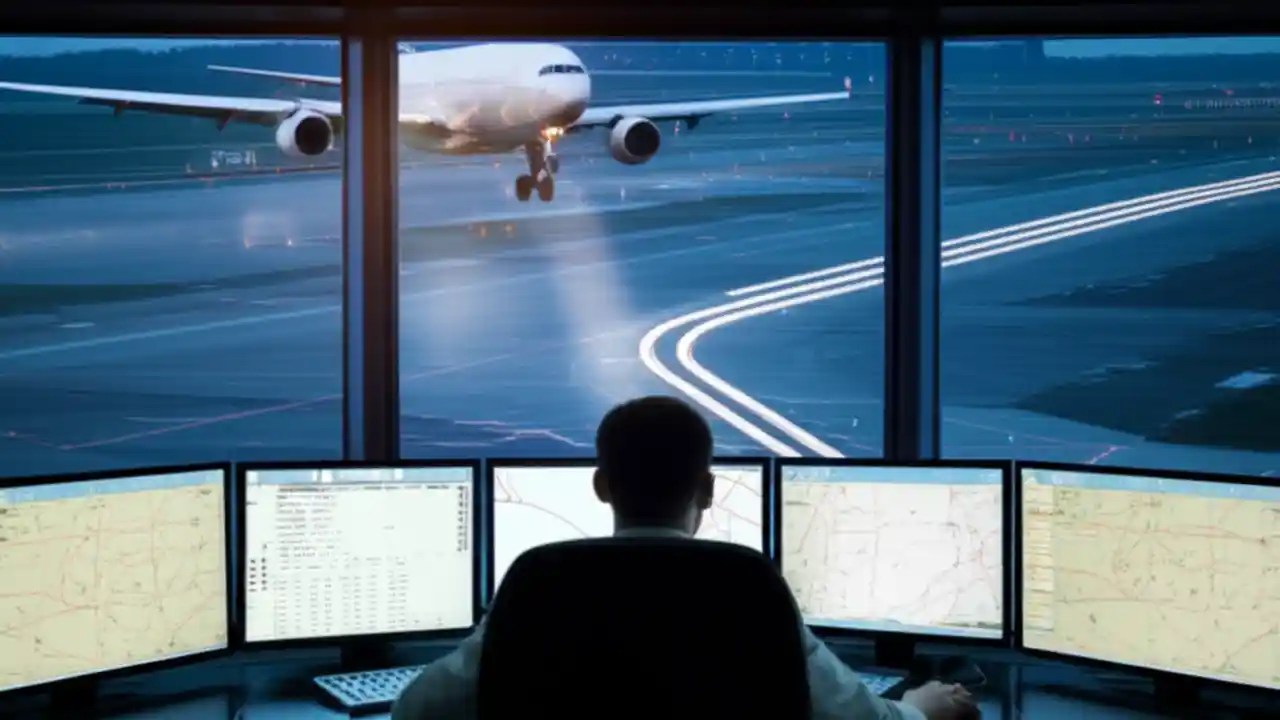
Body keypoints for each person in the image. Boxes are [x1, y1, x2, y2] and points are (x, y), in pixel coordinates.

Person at [393, 395, 978, 720]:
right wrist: (923, 707)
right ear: (707, 489)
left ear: (600, 487)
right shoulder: (746, 587)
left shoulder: (539, 583)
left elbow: (413, 713)